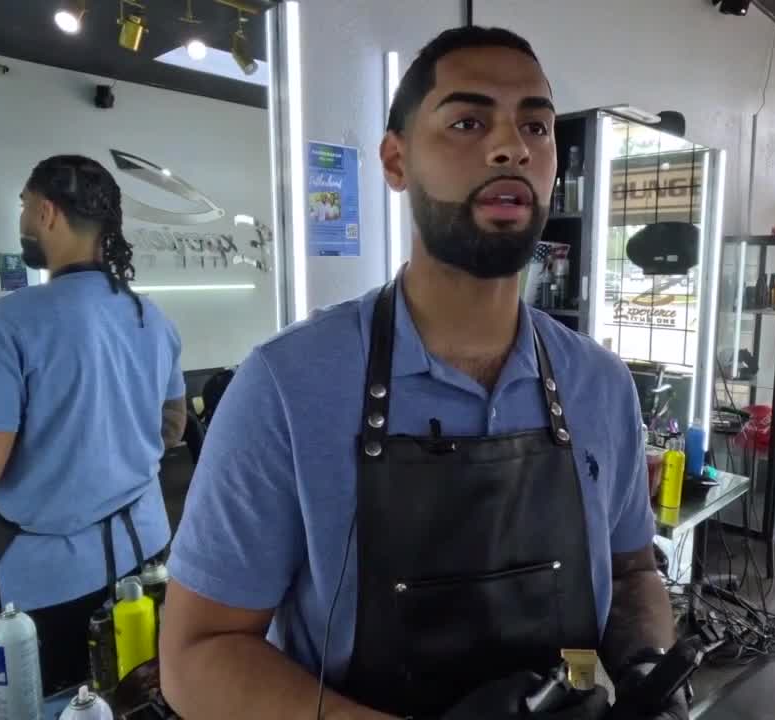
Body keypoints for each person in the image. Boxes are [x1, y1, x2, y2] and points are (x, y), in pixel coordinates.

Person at [161, 26, 685, 720]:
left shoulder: (601, 385)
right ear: (395, 159)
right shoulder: (288, 386)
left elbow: (632, 569)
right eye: (469, 122)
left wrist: (652, 675)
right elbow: (198, 654)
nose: (512, 147)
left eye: (536, 125)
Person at [0, 155, 187, 694]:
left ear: (46, 212)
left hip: (51, 584)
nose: (23, 220)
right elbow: (172, 428)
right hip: (147, 554)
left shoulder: (4, 324)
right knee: (135, 696)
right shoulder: (151, 317)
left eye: (24, 207)